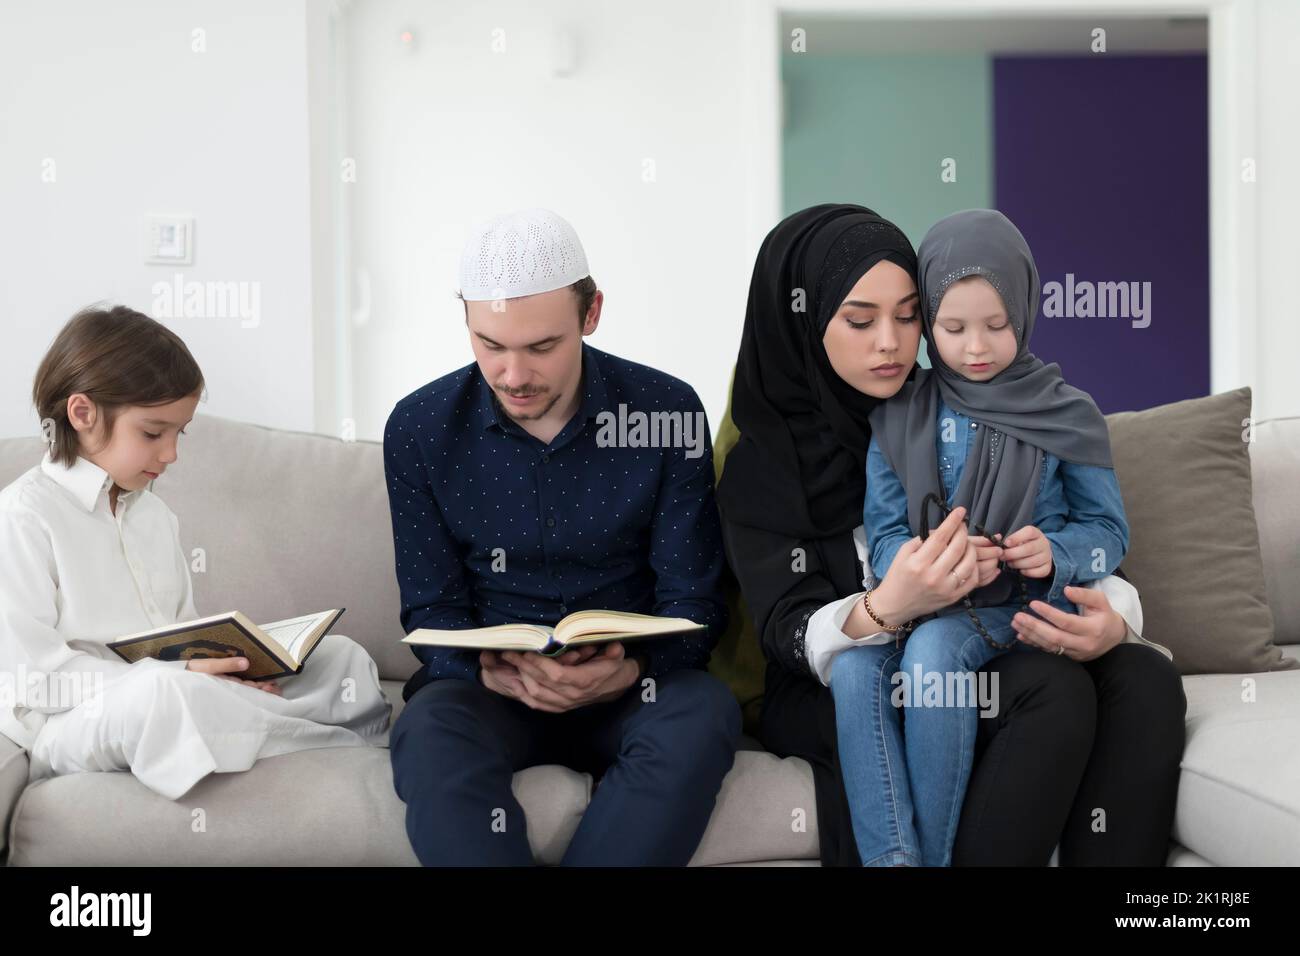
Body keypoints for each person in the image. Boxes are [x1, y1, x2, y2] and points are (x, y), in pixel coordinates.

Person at [716, 203, 1185, 866]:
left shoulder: (974, 397)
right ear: (803, 318)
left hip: (988, 622)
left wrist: (1114, 619)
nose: (891, 343)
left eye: (908, 315)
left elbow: (1086, 531)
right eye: (860, 320)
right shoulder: (763, 459)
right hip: (843, 666)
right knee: (1045, 692)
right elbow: (786, 631)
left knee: (1144, 675)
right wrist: (892, 600)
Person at [386, 208, 740, 866]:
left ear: (591, 312)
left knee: (704, 711)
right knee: (429, 729)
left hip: (633, 688)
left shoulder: (666, 410)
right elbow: (431, 611)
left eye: (542, 347)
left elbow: (695, 601)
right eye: (491, 344)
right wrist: (490, 671)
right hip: (493, 693)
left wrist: (631, 670)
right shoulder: (419, 427)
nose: (513, 375)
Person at [0, 305, 391, 801]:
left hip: (178, 690)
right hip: (76, 720)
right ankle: (317, 738)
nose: (171, 455)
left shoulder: (154, 516)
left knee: (340, 658)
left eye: (178, 433)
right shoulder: (23, 517)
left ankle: (269, 729)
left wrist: (224, 669)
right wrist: (184, 677)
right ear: (82, 414)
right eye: (152, 433)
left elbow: (179, 634)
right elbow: (34, 681)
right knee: (165, 695)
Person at [849, 208, 1132, 865]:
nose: (976, 347)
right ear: (928, 324)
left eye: (996, 325)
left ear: (1025, 313)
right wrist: (923, 564)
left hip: (1021, 606)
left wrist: (1056, 553)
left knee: (932, 653)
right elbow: (885, 538)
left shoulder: (1067, 412)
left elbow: (1108, 532)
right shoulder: (898, 418)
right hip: (927, 606)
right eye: (953, 329)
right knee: (856, 670)